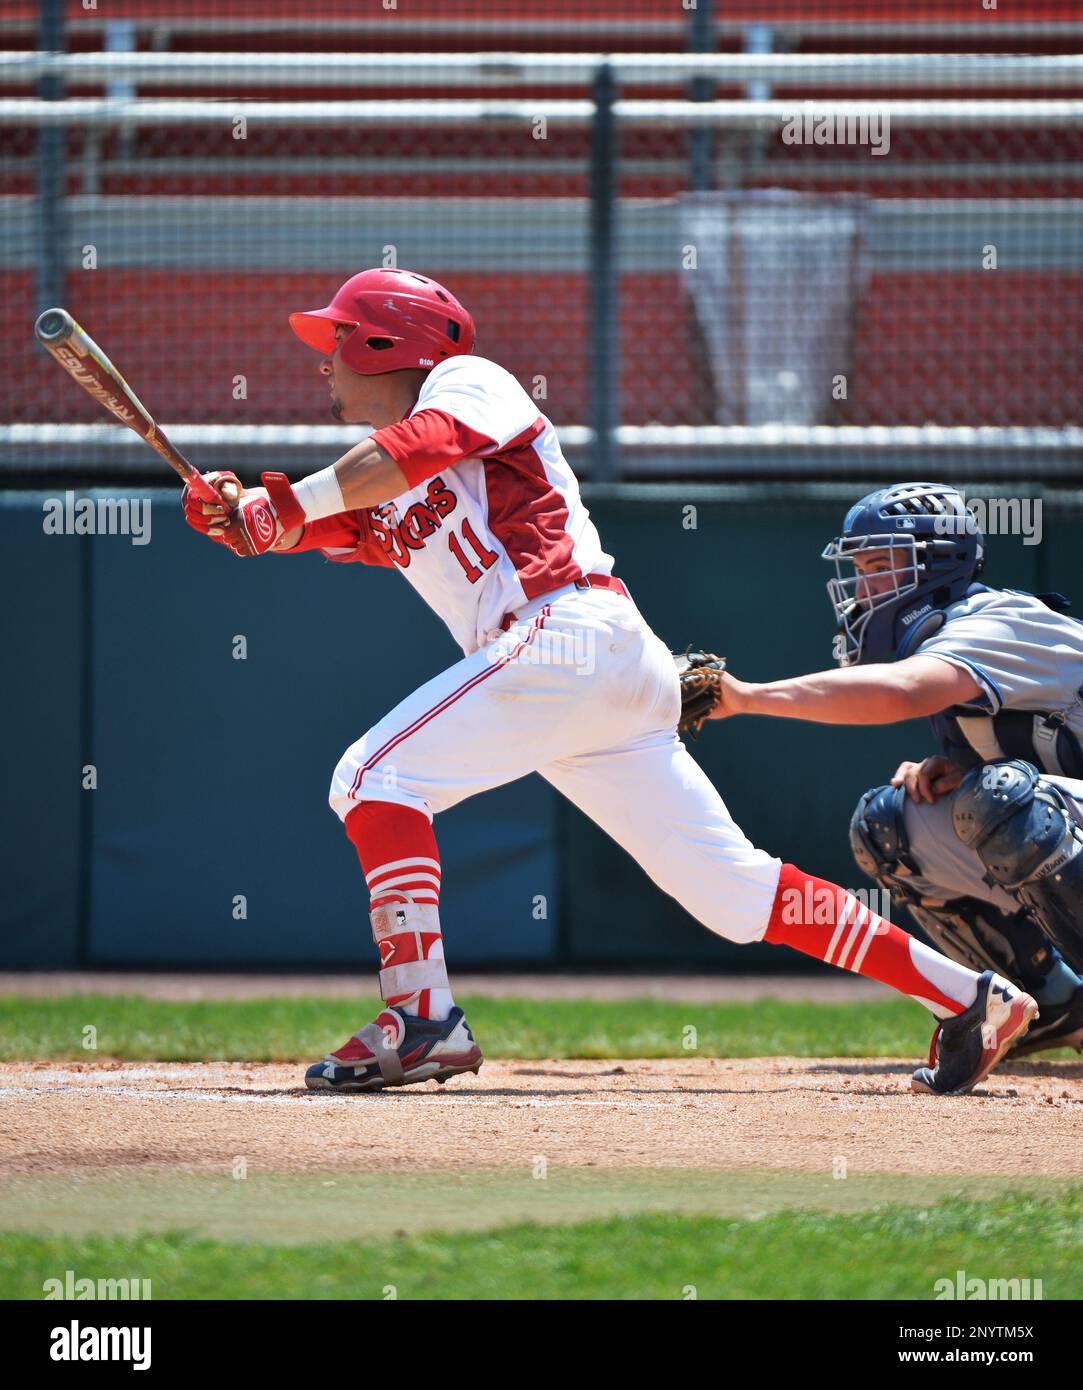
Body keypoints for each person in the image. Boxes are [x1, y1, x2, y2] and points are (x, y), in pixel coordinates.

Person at [181, 276, 1036, 1096]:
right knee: (731, 891)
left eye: (336, 340)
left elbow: (416, 450)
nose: (323, 361)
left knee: (371, 779)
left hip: (566, 637)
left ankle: (420, 1016)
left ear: (383, 341)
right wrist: (242, 510)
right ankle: (966, 998)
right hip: (594, 672)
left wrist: (280, 509)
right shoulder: (384, 476)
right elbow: (324, 518)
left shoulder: (465, 383)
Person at [698, 480, 1083, 1059]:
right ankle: (1055, 1007)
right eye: (860, 568)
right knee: (891, 825)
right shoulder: (949, 638)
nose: (864, 587)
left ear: (939, 564)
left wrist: (749, 696)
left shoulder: (998, 619)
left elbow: (904, 692)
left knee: (1003, 801)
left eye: (881, 565)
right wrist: (960, 765)